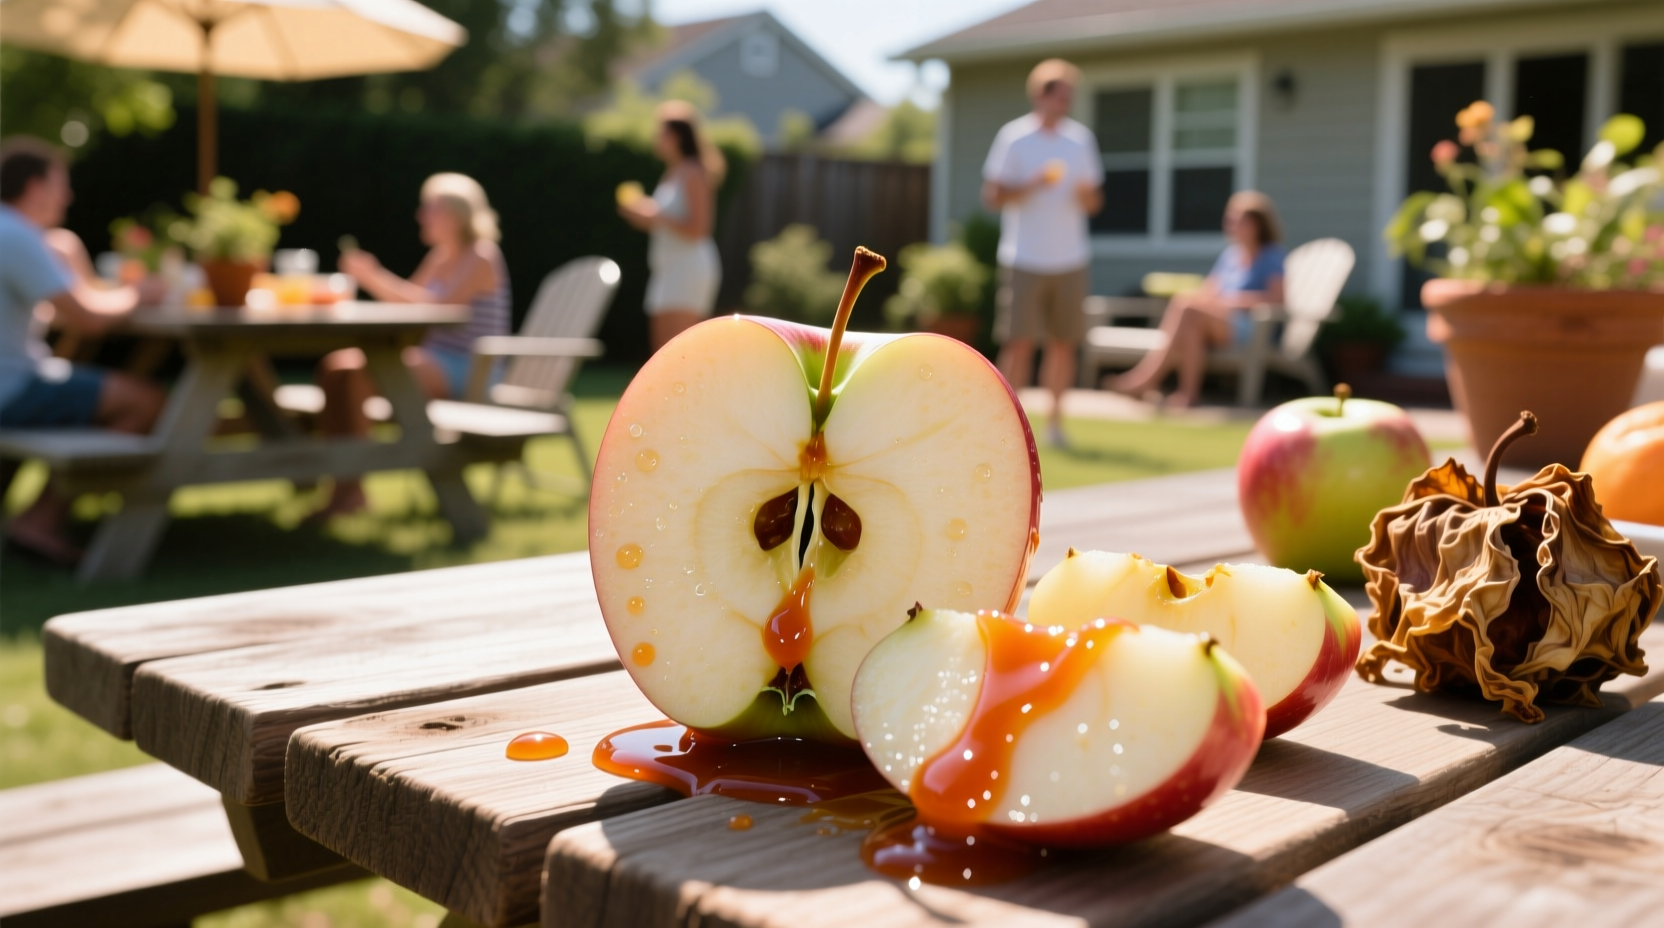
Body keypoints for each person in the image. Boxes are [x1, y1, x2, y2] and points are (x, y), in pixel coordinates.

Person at [0, 136, 165, 565]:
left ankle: (38, 514)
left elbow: (62, 310)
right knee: (147, 402)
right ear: (35, 188)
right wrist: (136, 293)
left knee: (98, 388)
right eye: (60, 184)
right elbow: (87, 316)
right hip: (11, 388)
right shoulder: (15, 235)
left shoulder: (14, 232)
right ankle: (40, 521)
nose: (68, 195)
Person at [317, 172, 511, 516]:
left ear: (455, 215)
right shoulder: (441, 256)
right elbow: (407, 303)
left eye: (430, 209)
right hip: (435, 359)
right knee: (337, 368)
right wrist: (369, 276)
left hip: (471, 368)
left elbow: (435, 310)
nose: (421, 216)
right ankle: (344, 485)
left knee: (356, 373)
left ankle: (351, 489)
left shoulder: (481, 255)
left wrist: (372, 276)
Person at [983, 58, 1104, 448]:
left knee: (1063, 343)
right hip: (1023, 258)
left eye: (1070, 95)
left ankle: (1054, 426)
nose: (1066, 101)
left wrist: (1085, 194)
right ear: (1041, 95)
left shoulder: (1080, 141)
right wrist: (1032, 184)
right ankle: (1003, 426)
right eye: (1060, 94)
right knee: (1018, 342)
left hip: (1070, 259)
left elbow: (1093, 202)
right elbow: (994, 196)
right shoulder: (1014, 138)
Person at [1110, 191, 1287, 409]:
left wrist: (1230, 301)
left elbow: (1278, 300)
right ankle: (1187, 394)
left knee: (1187, 309)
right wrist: (1200, 298)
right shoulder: (1230, 256)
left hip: (1252, 328)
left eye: (1239, 220)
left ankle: (1147, 379)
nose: (1232, 225)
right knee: (1188, 313)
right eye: (1230, 219)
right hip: (1219, 322)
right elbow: (1209, 291)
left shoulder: (1271, 255)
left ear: (1257, 224)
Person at [619, 101, 722, 353]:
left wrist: (655, 214)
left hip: (688, 270)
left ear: (675, 137)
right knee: (661, 354)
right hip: (667, 270)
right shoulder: (672, 174)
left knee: (680, 355)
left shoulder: (693, 173)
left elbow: (699, 228)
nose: (656, 138)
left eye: (661, 132)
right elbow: (666, 223)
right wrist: (643, 216)